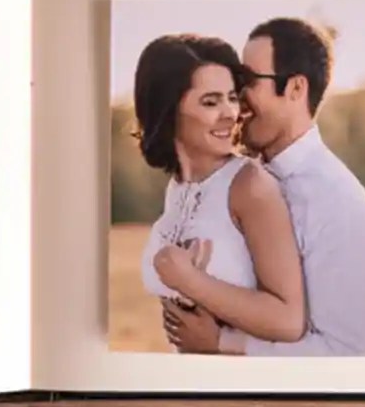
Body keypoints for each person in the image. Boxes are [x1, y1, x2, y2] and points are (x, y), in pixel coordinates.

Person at [162, 18, 365, 357]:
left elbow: (347, 350)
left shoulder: (337, 202)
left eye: (247, 81)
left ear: (295, 89)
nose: (237, 98)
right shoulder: (233, 178)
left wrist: (223, 345)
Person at [132, 33, 308, 352]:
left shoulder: (250, 186)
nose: (231, 112)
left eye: (231, 97)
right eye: (211, 102)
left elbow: (289, 320)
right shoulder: (179, 187)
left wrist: (190, 281)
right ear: (168, 110)